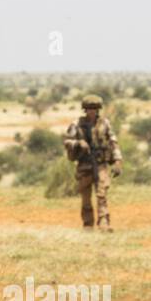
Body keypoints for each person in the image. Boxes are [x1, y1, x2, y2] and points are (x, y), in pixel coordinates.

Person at [63, 94, 122, 230]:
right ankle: (88, 224)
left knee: (102, 194)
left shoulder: (105, 123)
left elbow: (113, 142)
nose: (92, 111)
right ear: (85, 109)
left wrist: (118, 161)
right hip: (84, 164)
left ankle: (104, 223)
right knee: (85, 196)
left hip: (100, 163)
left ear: (98, 109)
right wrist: (78, 143)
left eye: (94, 108)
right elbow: (67, 141)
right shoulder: (76, 124)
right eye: (89, 108)